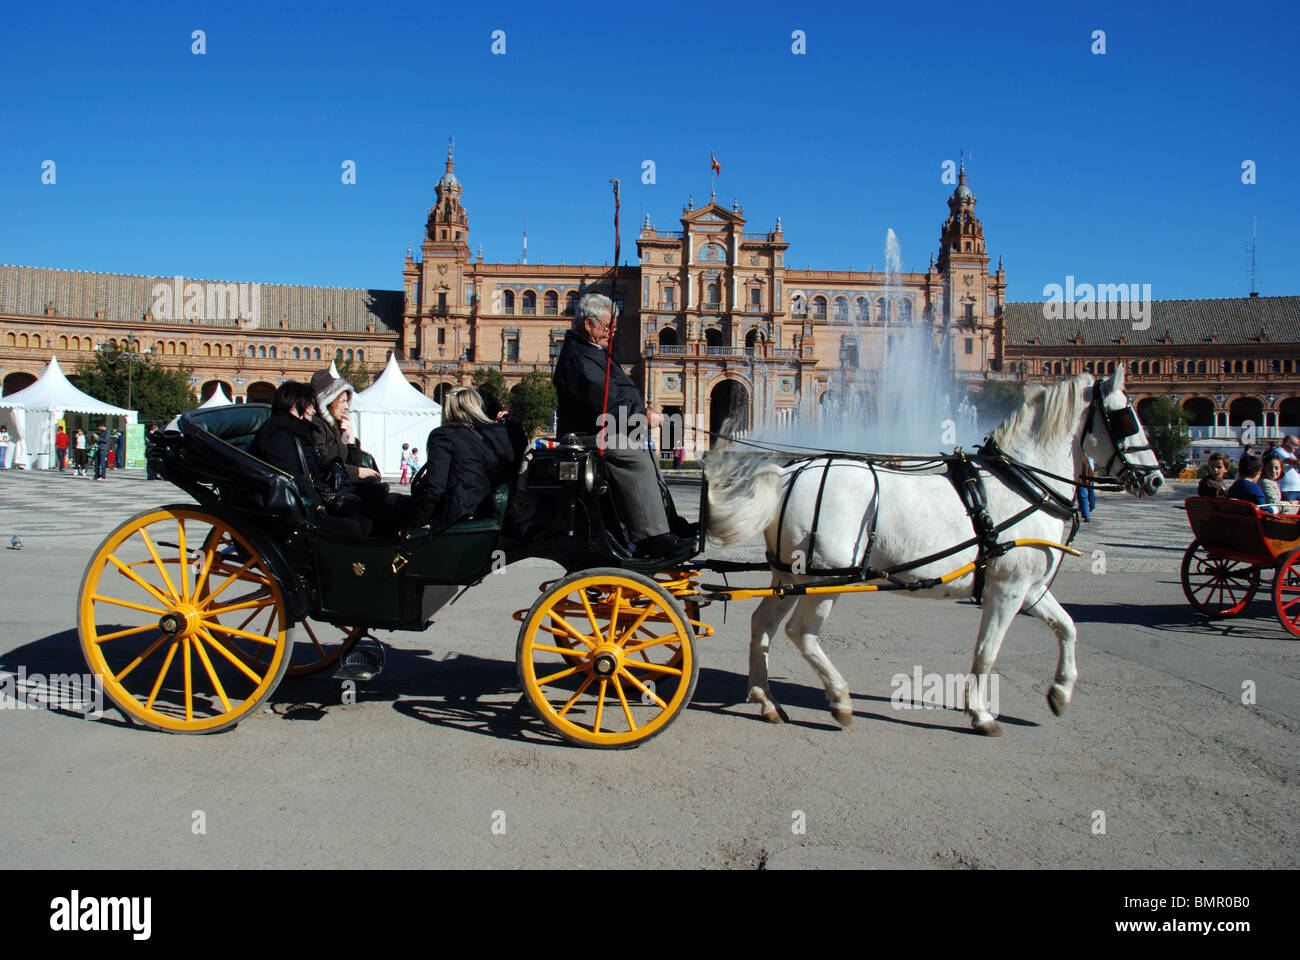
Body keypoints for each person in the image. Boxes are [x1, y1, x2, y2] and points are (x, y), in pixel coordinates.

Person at [552, 292, 696, 558]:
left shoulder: (593, 352)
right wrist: (641, 417)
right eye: (607, 326)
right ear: (588, 324)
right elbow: (603, 403)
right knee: (633, 456)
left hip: (602, 427)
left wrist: (642, 410)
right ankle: (651, 538)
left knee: (646, 451)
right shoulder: (579, 357)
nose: (611, 332)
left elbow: (616, 395)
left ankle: (667, 524)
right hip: (588, 434)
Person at [252, 381, 372, 537]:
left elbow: (320, 467)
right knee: (357, 525)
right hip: (298, 509)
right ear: (295, 404)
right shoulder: (279, 433)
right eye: (309, 405)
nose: (313, 410)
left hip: (313, 497)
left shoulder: (297, 431)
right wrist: (320, 507)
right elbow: (293, 476)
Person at [404, 387, 524, 534]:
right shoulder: (498, 433)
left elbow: (435, 487)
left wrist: (413, 526)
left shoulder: (444, 435)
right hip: (487, 511)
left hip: (456, 515)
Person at [309, 369, 382, 483]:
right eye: (342, 401)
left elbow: (354, 464)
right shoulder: (317, 425)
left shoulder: (336, 427)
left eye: (347, 401)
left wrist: (351, 439)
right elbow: (321, 464)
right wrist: (358, 472)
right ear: (329, 401)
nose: (347, 406)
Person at [1076, 454, 1096, 522]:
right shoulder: (1088, 455)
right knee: (1090, 492)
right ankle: (1091, 507)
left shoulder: (1082, 456)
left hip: (1083, 477)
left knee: (1082, 495)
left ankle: (1086, 514)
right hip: (1089, 474)